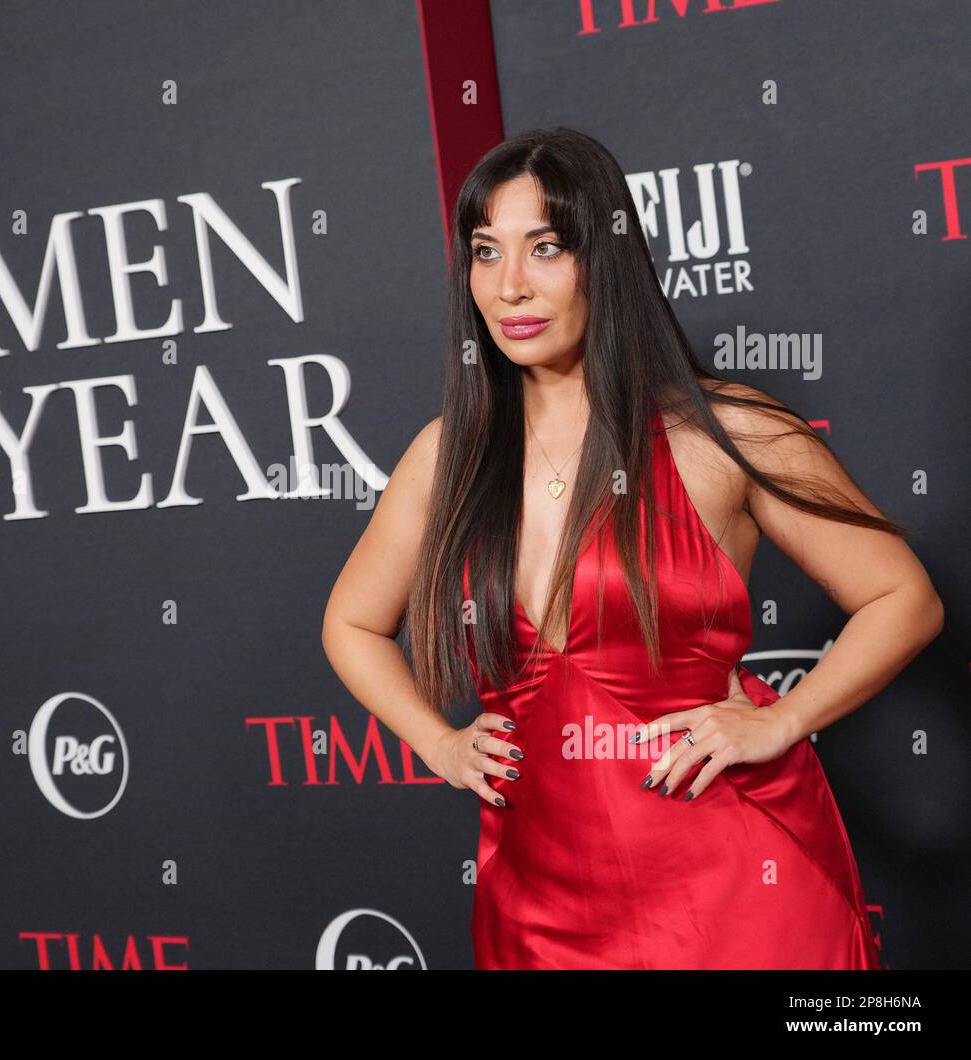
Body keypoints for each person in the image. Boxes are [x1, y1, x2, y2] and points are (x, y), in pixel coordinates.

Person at [320, 127, 944, 970]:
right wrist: (438, 743)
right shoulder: (449, 455)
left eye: (546, 249)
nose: (509, 287)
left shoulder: (730, 433)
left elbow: (904, 596)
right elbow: (351, 624)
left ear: (605, 259)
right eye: (485, 252)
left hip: (738, 888)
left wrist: (784, 719)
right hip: (540, 906)